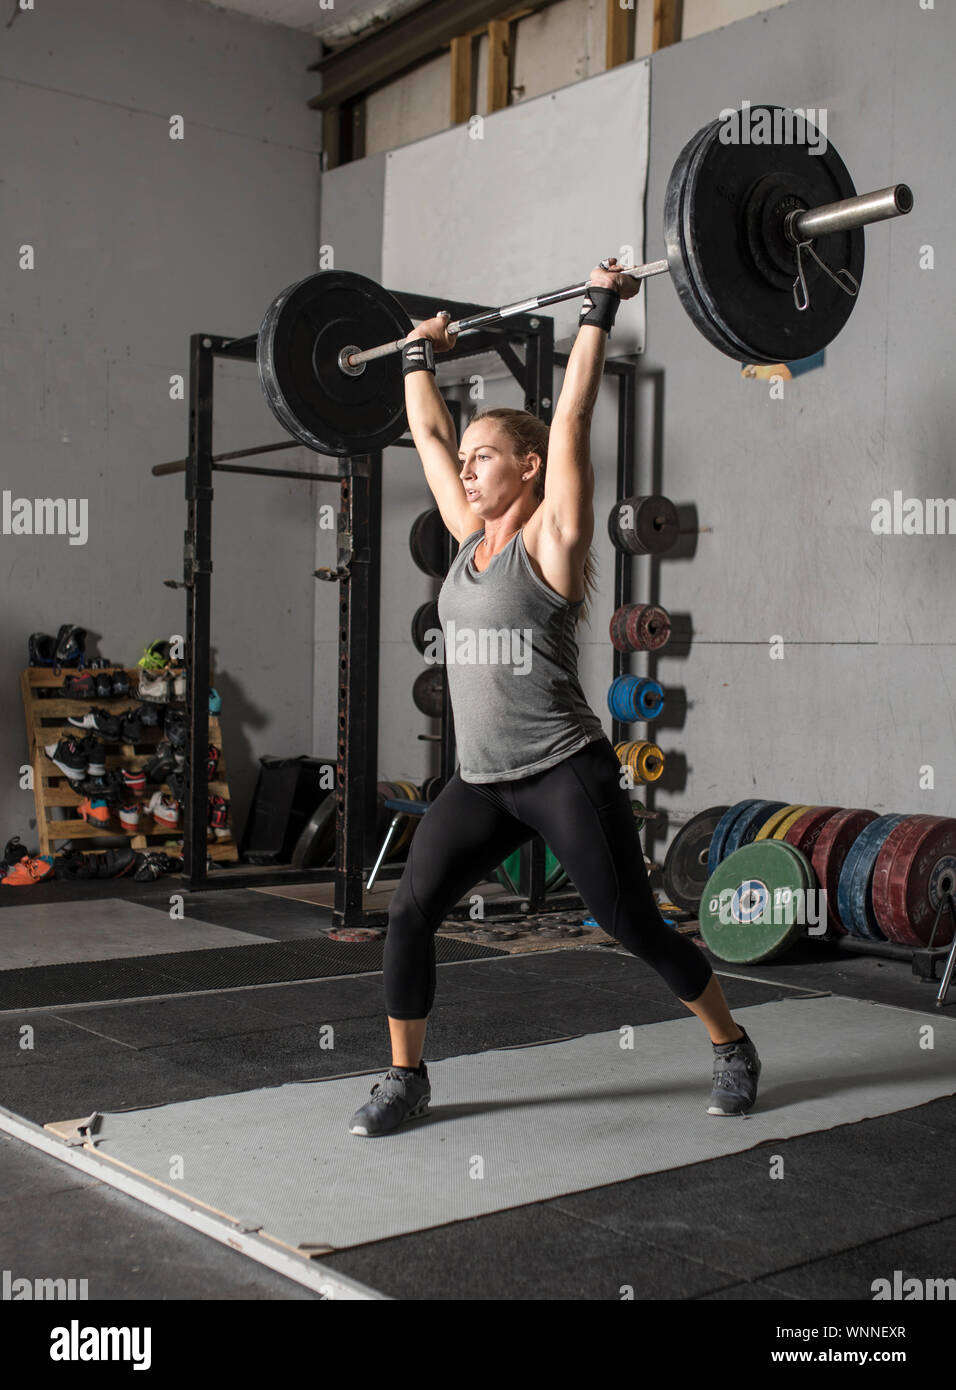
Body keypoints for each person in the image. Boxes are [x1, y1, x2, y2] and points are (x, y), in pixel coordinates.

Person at [350, 260, 760, 1137]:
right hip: (482, 780)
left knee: (631, 924)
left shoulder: (552, 540)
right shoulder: (467, 542)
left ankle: (730, 1043)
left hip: (561, 770)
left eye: (484, 457)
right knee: (412, 913)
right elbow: (424, 438)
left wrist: (599, 308)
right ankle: (404, 1076)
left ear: (529, 467)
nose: (464, 471)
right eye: (466, 461)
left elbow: (572, 417)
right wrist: (418, 358)